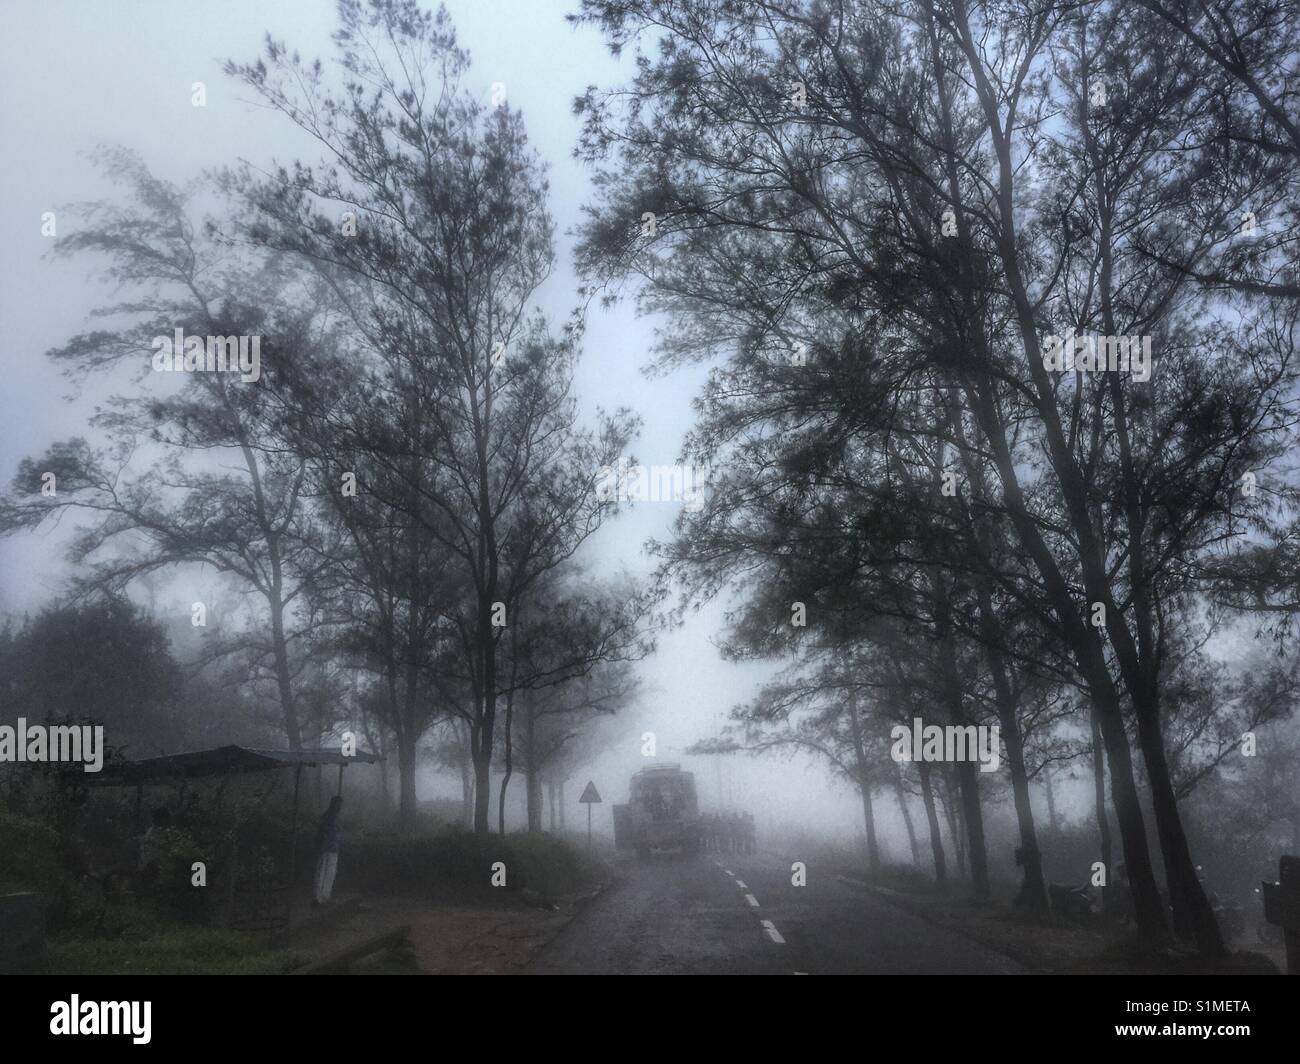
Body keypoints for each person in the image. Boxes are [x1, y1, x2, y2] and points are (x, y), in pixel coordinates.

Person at [314, 795, 343, 905]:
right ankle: (318, 897)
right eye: (338, 804)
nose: (340, 806)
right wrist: (322, 845)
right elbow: (322, 833)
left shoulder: (335, 817)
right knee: (322, 872)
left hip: (333, 848)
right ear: (334, 804)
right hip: (325, 848)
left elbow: (336, 833)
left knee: (330, 873)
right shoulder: (327, 817)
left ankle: (325, 896)